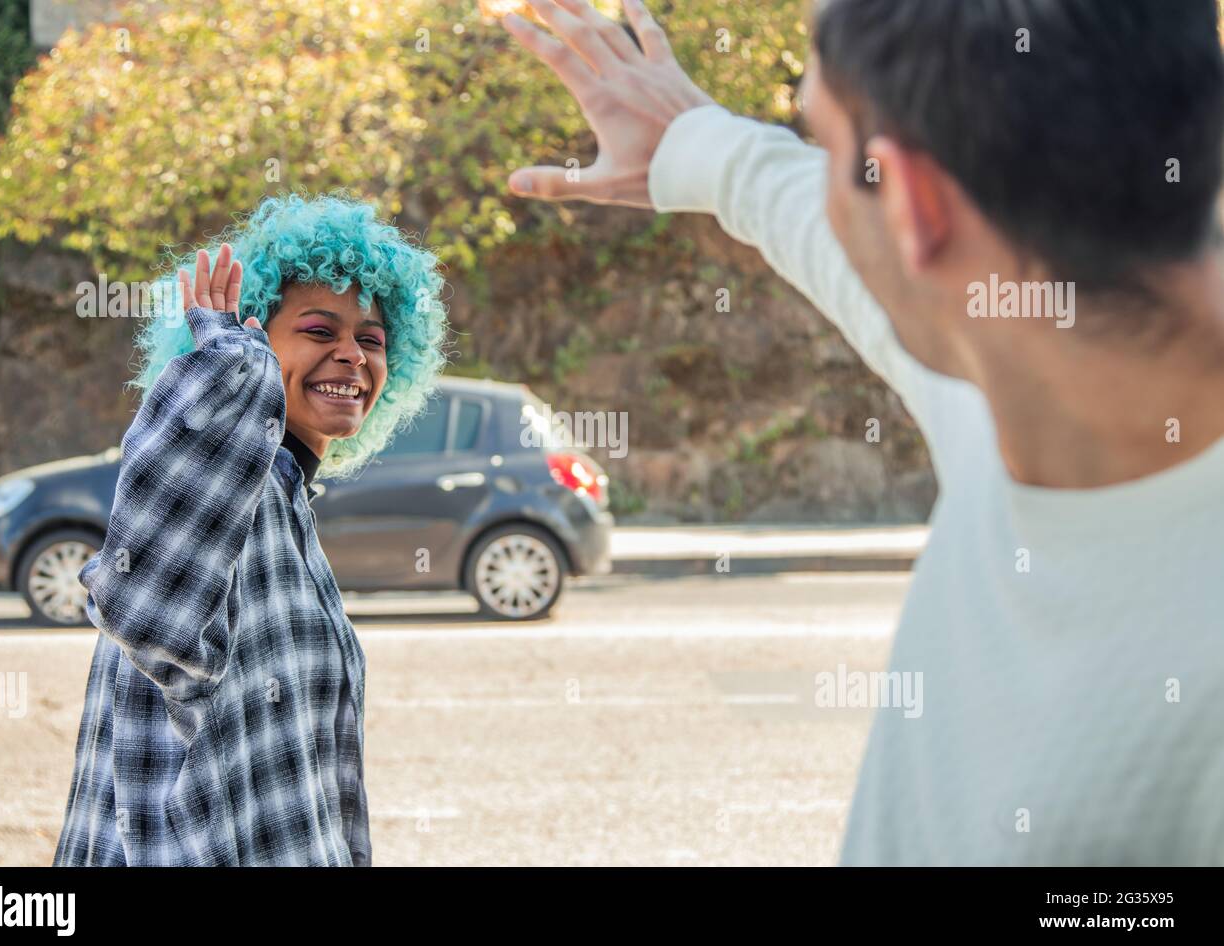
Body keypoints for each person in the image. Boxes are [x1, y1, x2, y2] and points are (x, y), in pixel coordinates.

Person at [503, 0, 1224, 864]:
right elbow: (811, 213)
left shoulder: (996, 378)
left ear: (914, 206)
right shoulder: (1019, 358)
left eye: (824, 142)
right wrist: (698, 146)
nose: (820, 183)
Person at [53, 193, 447, 865]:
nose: (352, 354)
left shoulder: (285, 499)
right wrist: (228, 376)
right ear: (251, 338)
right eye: (320, 331)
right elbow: (142, 603)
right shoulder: (234, 491)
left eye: (371, 339)